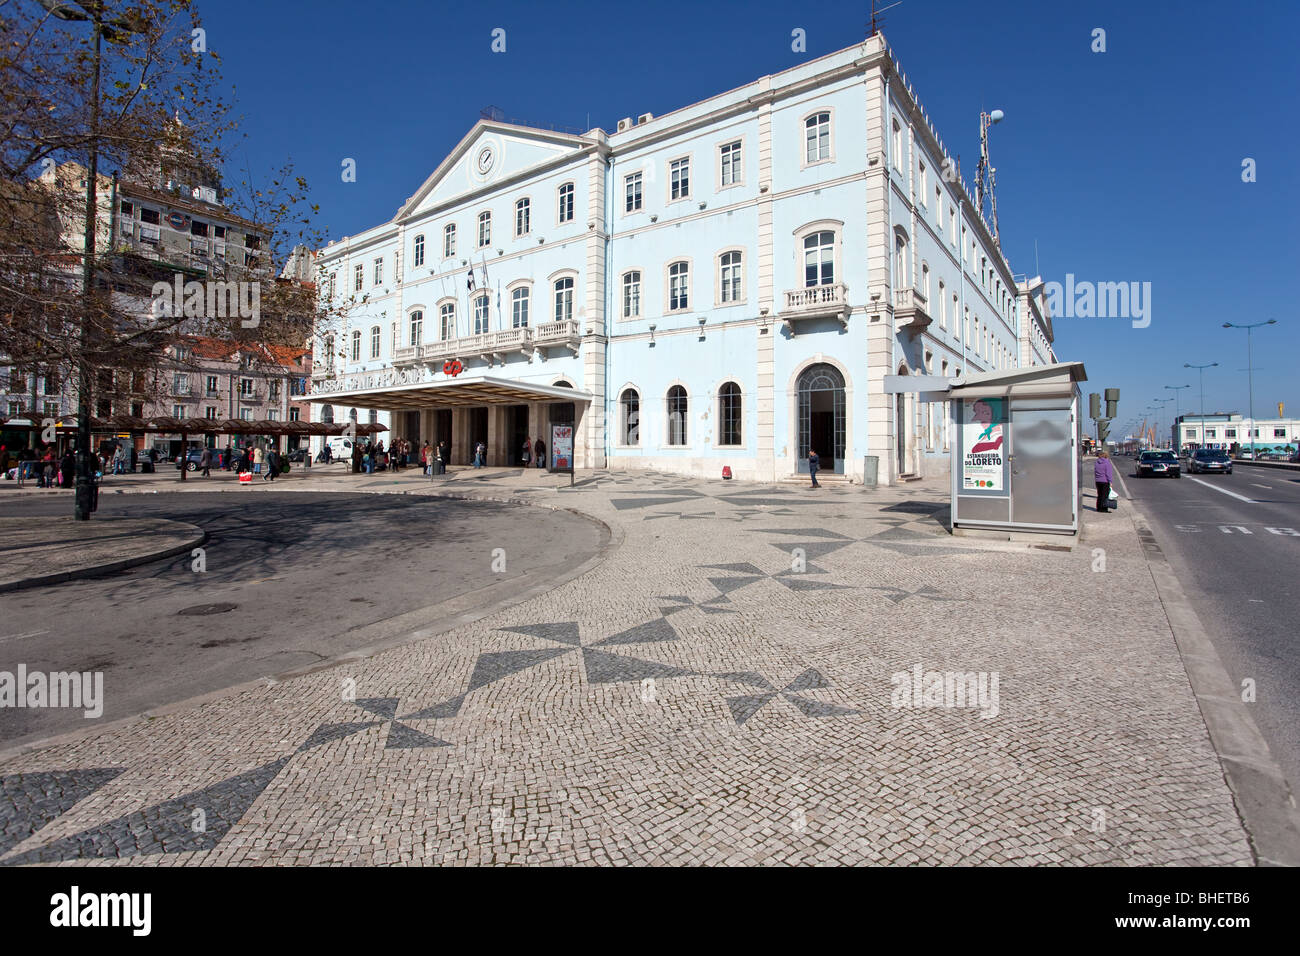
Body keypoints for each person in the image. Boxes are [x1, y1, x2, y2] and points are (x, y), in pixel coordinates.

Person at [1095, 448, 1114, 513]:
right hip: (1105, 481)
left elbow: (1095, 471)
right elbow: (1108, 473)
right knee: (1105, 495)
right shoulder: (1107, 462)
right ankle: (1103, 509)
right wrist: (1110, 481)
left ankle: (1098, 507)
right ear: (1106, 456)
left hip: (1098, 481)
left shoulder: (1097, 462)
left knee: (1099, 495)